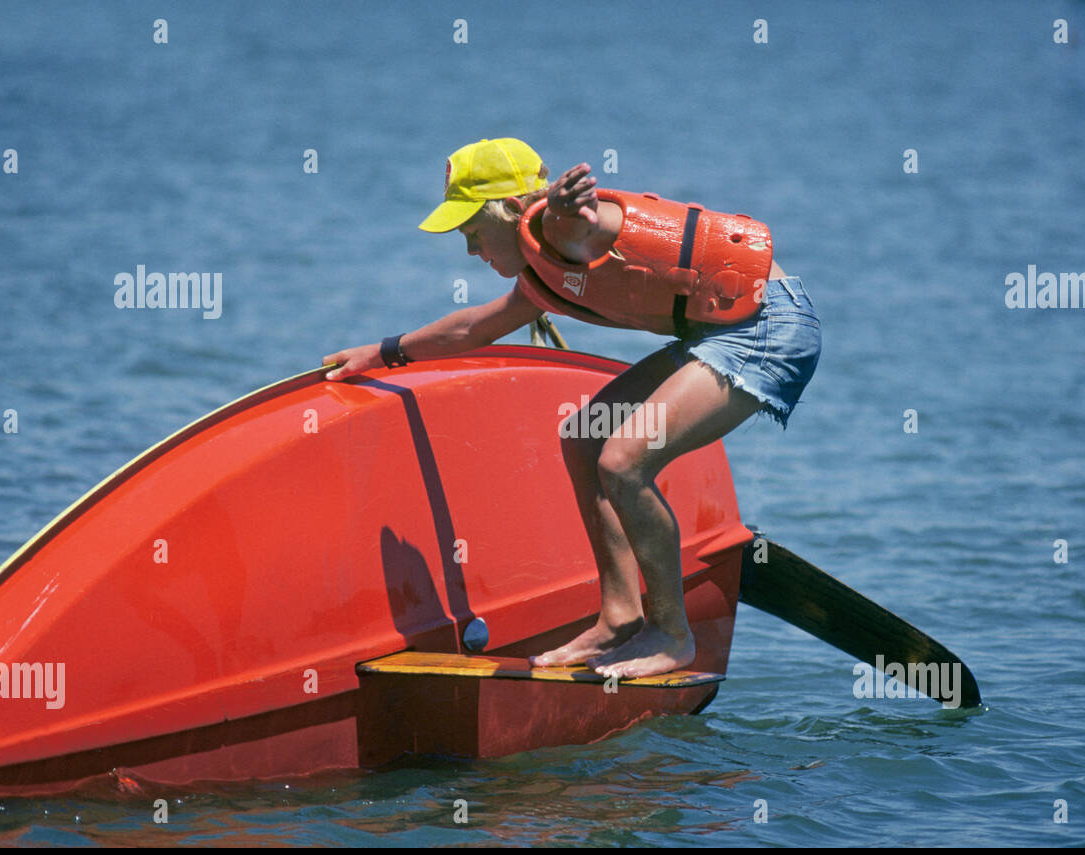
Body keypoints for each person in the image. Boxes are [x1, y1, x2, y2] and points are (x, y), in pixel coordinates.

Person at [323, 138, 820, 679]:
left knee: (623, 462)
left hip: (769, 329)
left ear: (513, 210)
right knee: (585, 438)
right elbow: (474, 327)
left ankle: (672, 635)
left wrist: (566, 209)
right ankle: (620, 614)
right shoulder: (541, 269)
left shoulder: (560, 230)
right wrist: (382, 352)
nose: (470, 251)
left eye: (472, 233)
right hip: (716, 332)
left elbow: (590, 227)